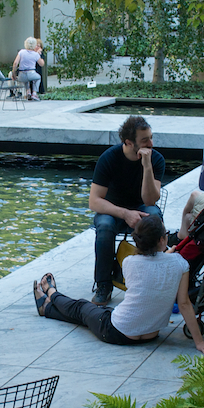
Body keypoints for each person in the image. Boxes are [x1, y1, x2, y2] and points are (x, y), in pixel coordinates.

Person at [33, 215, 204, 354]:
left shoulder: (129, 262)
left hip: (116, 332)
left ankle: (51, 292)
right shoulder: (180, 263)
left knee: (81, 307)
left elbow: (145, 276)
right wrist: (199, 342)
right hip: (151, 335)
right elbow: (184, 303)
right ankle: (46, 308)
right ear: (161, 241)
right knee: (90, 316)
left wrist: (165, 256)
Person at [90, 116, 165, 304]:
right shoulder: (109, 158)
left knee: (153, 216)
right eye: (145, 140)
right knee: (105, 227)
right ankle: (104, 284)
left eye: (151, 137)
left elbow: (150, 199)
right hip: (113, 210)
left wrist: (147, 166)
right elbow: (94, 201)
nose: (151, 143)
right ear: (129, 142)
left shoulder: (156, 159)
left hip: (142, 206)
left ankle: (151, 279)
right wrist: (124, 213)